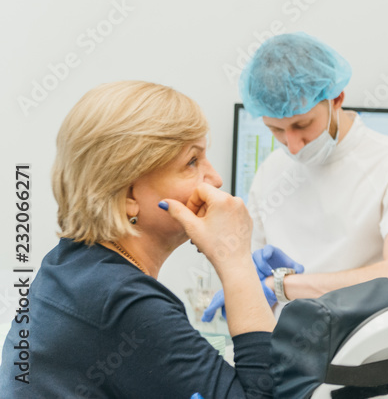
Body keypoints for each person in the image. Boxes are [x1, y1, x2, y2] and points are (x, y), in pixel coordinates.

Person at [0, 81, 276, 398]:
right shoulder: (122, 303)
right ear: (129, 194)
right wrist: (236, 258)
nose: (215, 179)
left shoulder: (67, 264)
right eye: (192, 161)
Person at [204, 32, 388, 321]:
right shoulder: (271, 171)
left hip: (362, 355)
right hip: (281, 349)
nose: (292, 146)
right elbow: (256, 289)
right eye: (276, 131)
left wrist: (282, 286)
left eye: (302, 124)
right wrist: (242, 290)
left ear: (336, 99)